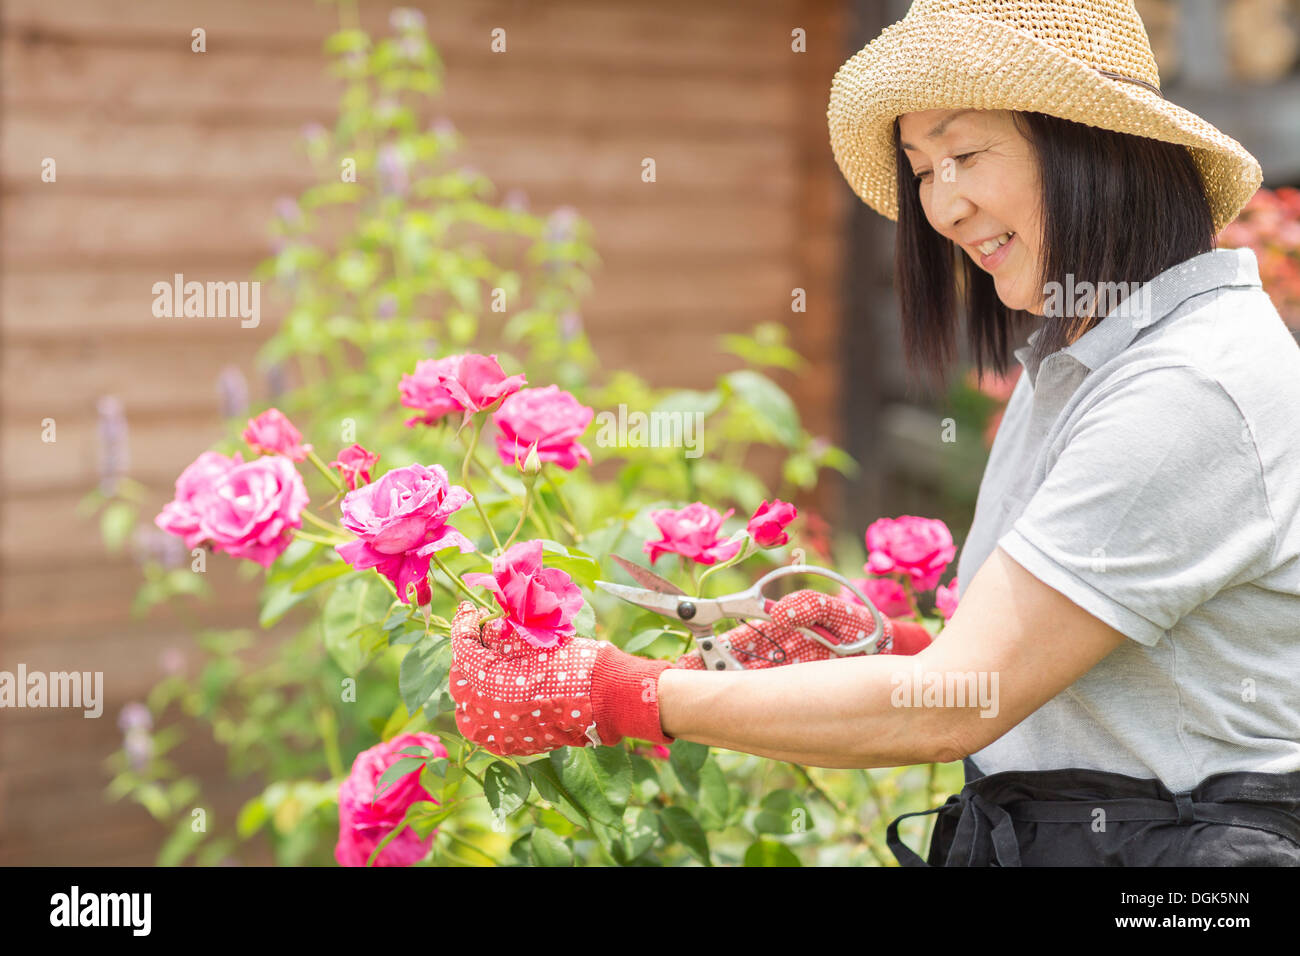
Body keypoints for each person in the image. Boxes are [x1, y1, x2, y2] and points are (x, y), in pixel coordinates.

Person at [448, 0, 1300, 866]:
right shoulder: (1085, 361)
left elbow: (950, 706)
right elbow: (1032, 671)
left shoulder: (1188, 387)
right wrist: (882, 646)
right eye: (922, 169)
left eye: (965, 154)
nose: (942, 206)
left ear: (1094, 144)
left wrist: (618, 693)